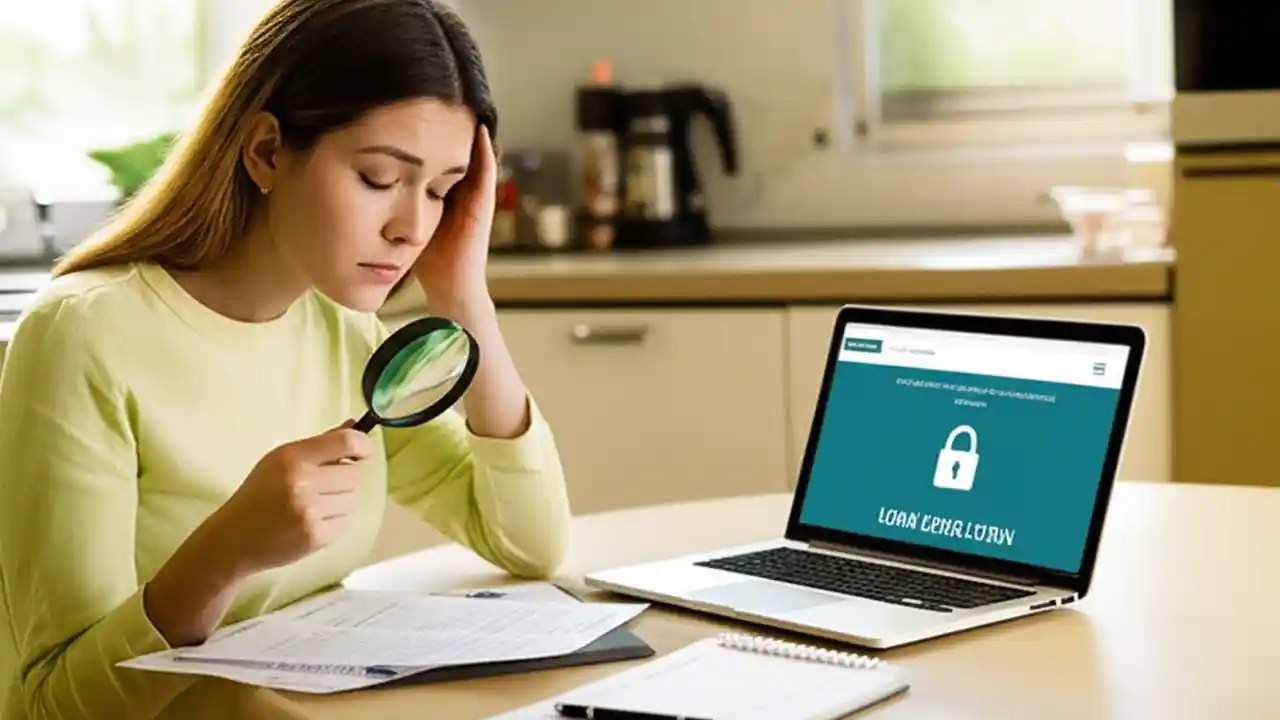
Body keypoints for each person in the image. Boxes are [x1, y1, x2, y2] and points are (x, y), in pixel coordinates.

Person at [0, 1, 571, 718]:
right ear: (267, 152)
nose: (412, 227)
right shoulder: (83, 335)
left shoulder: (343, 326)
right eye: (378, 178)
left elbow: (529, 541)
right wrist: (225, 553)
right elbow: (51, 705)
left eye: (441, 192)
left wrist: (465, 298)